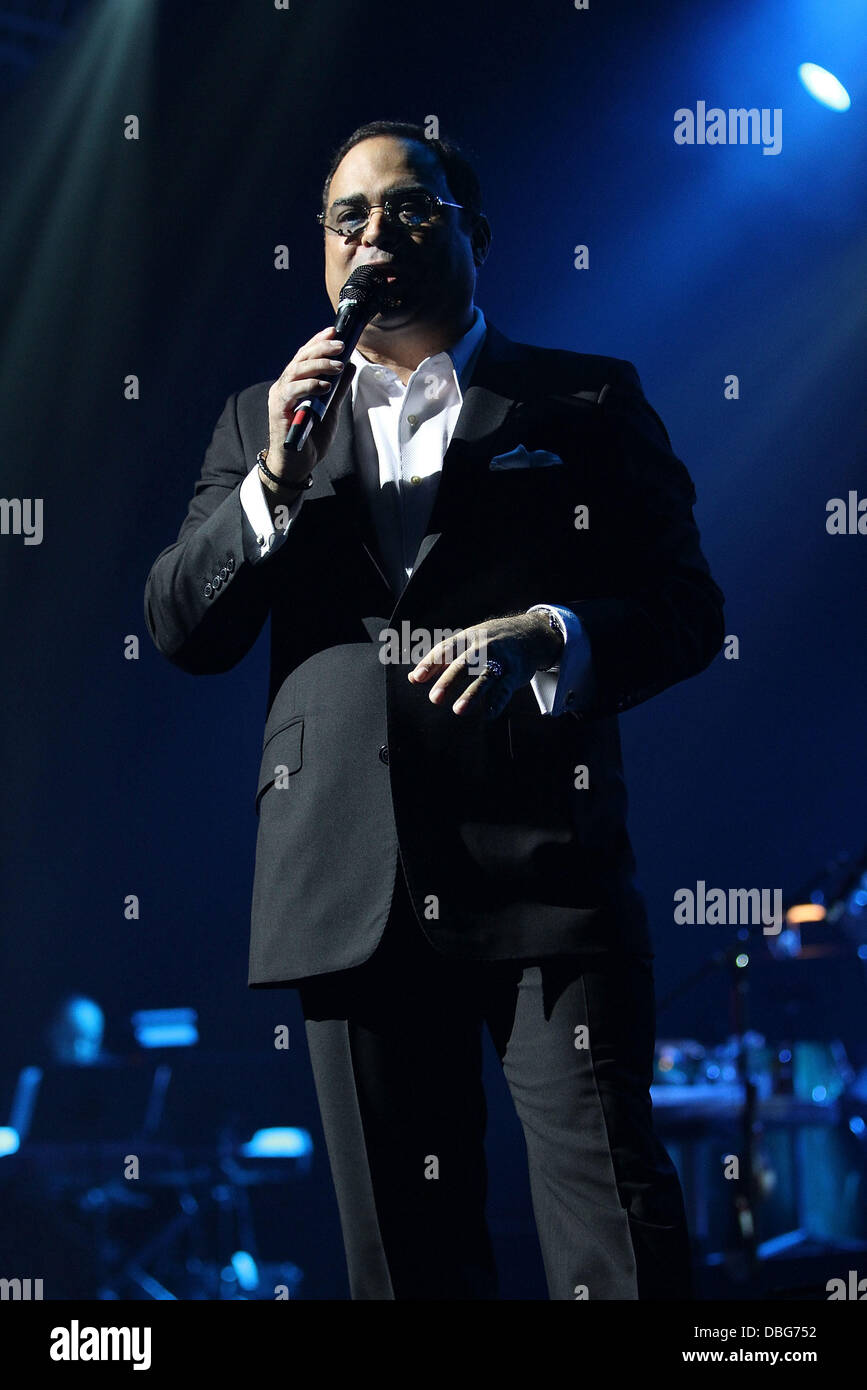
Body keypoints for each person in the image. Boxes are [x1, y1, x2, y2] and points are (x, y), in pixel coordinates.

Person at [144, 119, 725, 1300]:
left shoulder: (585, 399)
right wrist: (270, 491)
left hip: (545, 881)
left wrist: (551, 632)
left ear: (475, 236)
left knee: (612, 1232)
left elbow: (686, 608)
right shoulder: (265, 420)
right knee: (404, 1267)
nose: (373, 236)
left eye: (409, 209)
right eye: (347, 217)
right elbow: (180, 627)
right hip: (345, 878)